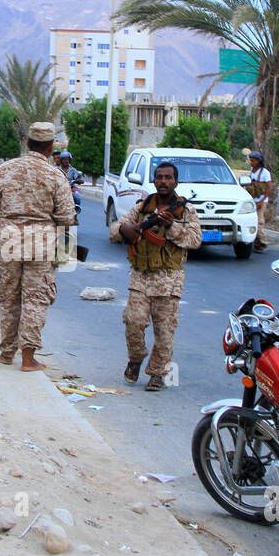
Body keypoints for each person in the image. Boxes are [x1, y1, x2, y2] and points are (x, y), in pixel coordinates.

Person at [0, 122, 76, 372]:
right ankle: (28, 359)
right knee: (35, 300)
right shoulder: (56, 175)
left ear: (28, 144)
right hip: (42, 245)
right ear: (50, 148)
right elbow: (67, 217)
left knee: (9, 298)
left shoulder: (5, 169)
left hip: (8, 242)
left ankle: (6, 353)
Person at [113, 161, 202, 392]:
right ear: (153, 181)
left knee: (164, 332)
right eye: (159, 177)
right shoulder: (143, 207)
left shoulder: (185, 211)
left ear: (176, 182)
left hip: (169, 278)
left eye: (168, 177)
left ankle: (157, 374)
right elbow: (116, 228)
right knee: (133, 321)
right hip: (141, 276)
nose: (163, 181)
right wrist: (127, 230)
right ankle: (136, 358)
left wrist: (171, 227)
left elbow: (195, 240)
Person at [246, 150, 274, 252]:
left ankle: (263, 241)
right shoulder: (252, 170)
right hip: (253, 200)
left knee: (259, 222)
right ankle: (257, 244)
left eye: (253, 161)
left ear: (258, 161)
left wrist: (261, 201)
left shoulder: (265, 173)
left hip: (260, 200)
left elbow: (269, 188)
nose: (251, 162)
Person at [56, 149, 84, 221]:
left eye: (67, 159)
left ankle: (76, 210)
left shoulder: (73, 170)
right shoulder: (56, 169)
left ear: (70, 160)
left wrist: (79, 181)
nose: (66, 161)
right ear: (61, 160)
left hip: (70, 189)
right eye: (64, 159)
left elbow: (78, 177)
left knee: (77, 197)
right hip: (58, 190)